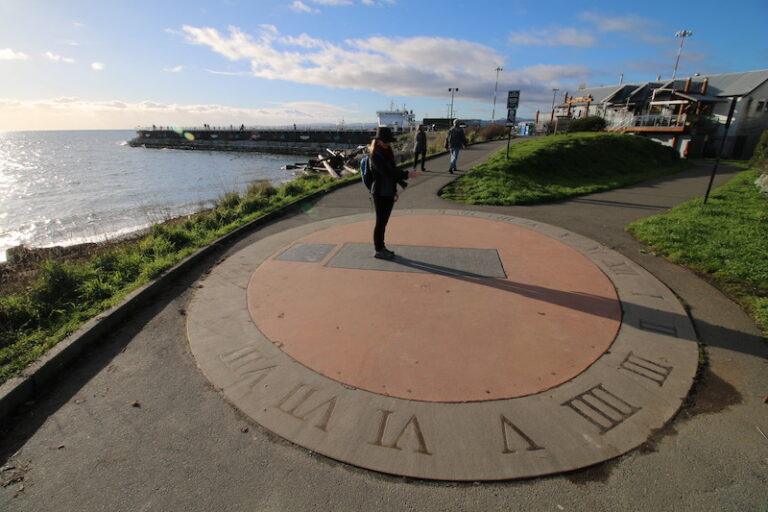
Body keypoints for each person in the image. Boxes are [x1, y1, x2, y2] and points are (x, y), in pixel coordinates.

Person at [368, 126, 418, 260]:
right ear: (378, 141)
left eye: (389, 141)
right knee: (380, 222)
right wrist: (407, 174)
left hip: (388, 191)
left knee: (383, 222)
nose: (388, 143)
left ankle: (382, 248)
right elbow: (387, 172)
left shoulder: (387, 152)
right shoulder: (375, 155)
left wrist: (395, 190)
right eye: (386, 141)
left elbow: (392, 173)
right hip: (379, 192)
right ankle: (378, 250)